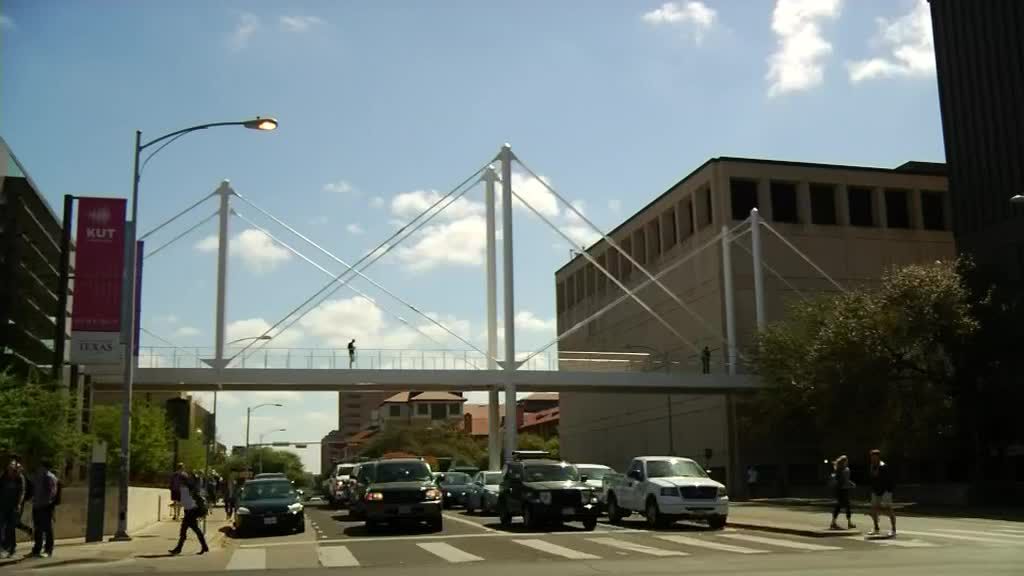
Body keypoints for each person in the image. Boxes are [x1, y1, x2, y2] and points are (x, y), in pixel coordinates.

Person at [169, 472, 209, 556]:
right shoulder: (190, 486)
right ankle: (204, 546)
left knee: (185, 530)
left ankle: (179, 548)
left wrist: (178, 504)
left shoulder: (184, 488)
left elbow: (186, 501)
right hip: (191, 511)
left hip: (190, 512)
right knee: (193, 530)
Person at [29, 461, 58, 558]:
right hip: (37, 505)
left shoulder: (50, 477)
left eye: (40, 467)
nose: (38, 469)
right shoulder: (38, 476)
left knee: (47, 528)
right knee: (38, 528)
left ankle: (48, 550)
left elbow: (52, 493)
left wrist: (46, 502)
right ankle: (37, 549)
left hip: (46, 506)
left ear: (44, 467)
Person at [0, 456, 27, 559]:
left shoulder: (19, 478)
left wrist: (19, 504)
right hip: (3, 505)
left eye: (12, 465)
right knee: (2, 527)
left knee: (11, 528)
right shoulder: (4, 477)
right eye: (9, 465)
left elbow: (22, 492)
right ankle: (3, 548)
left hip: (13, 507)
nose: (11, 467)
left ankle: (12, 548)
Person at [868, 449, 895, 536]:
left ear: (878, 457)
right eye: (871, 457)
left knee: (888, 510)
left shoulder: (883, 466)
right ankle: (876, 528)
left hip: (885, 491)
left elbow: (888, 480)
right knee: (873, 510)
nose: (872, 458)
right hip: (875, 491)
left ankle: (893, 529)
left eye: (874, 457)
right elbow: (872, 478)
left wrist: (888, 492)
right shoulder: (872, 466)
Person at [829, 455, 856, 530]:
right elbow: (844, 480)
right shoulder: (844, 470)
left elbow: (844, 480)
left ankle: (847, 522)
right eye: (846, 461)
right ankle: (834, 523)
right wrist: (851, 484)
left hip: (841, 489)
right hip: (842, 490)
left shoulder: (840, 469)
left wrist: (850, 483)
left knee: (844, 506)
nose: (846, 462)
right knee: (841, 506)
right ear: (843, 462)